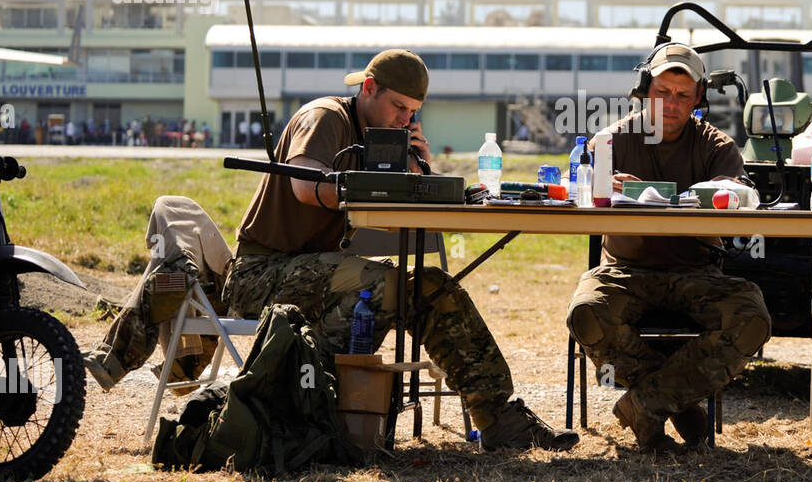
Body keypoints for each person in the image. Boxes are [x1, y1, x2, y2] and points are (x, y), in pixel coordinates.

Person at [222, 49, 576, 452]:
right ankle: (316, 404)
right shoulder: (326, 117)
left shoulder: (383, 138)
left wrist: (419, 171)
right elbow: (306, 187)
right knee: (385, 286)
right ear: (369, 88)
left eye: (413, 112)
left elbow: (393, 214)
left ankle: (498, 416)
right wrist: (375, 181)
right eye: (399, 107)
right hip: (262, 273)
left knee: (432, 288)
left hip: (317, 273)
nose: (405, 119)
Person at [565, 43, 772, 454]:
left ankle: (646, 404)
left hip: (697, 273)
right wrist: (604, 186)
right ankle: (681, 406)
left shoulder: (717, 147)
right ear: (645, 90)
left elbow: (739, 196)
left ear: (698, 98)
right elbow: (577, 196)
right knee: (587, 315)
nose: (671, 104)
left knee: (752, 320)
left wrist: (703, 194)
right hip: (625, 271)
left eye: (682, 95)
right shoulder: (610, 142)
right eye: (662, 92)